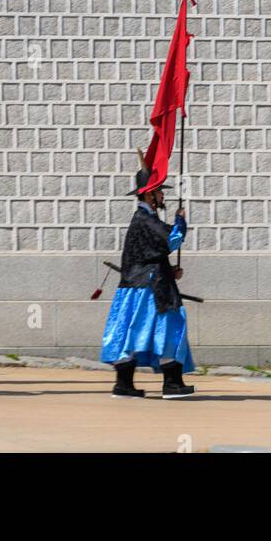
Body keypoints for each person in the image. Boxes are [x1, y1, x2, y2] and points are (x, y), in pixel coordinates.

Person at [100, 168, 195, 399]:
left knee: (129, 333)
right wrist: (180, 221)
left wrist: (169, 271)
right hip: (151, 288)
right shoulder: (146, 220)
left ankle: (124, 385)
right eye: (159, 192)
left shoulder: (141, 220)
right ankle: (172, 384)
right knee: (169, 327)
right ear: (149, 194)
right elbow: (172, 239)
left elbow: (147, 255)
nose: (162, 196)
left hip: (136, 285)